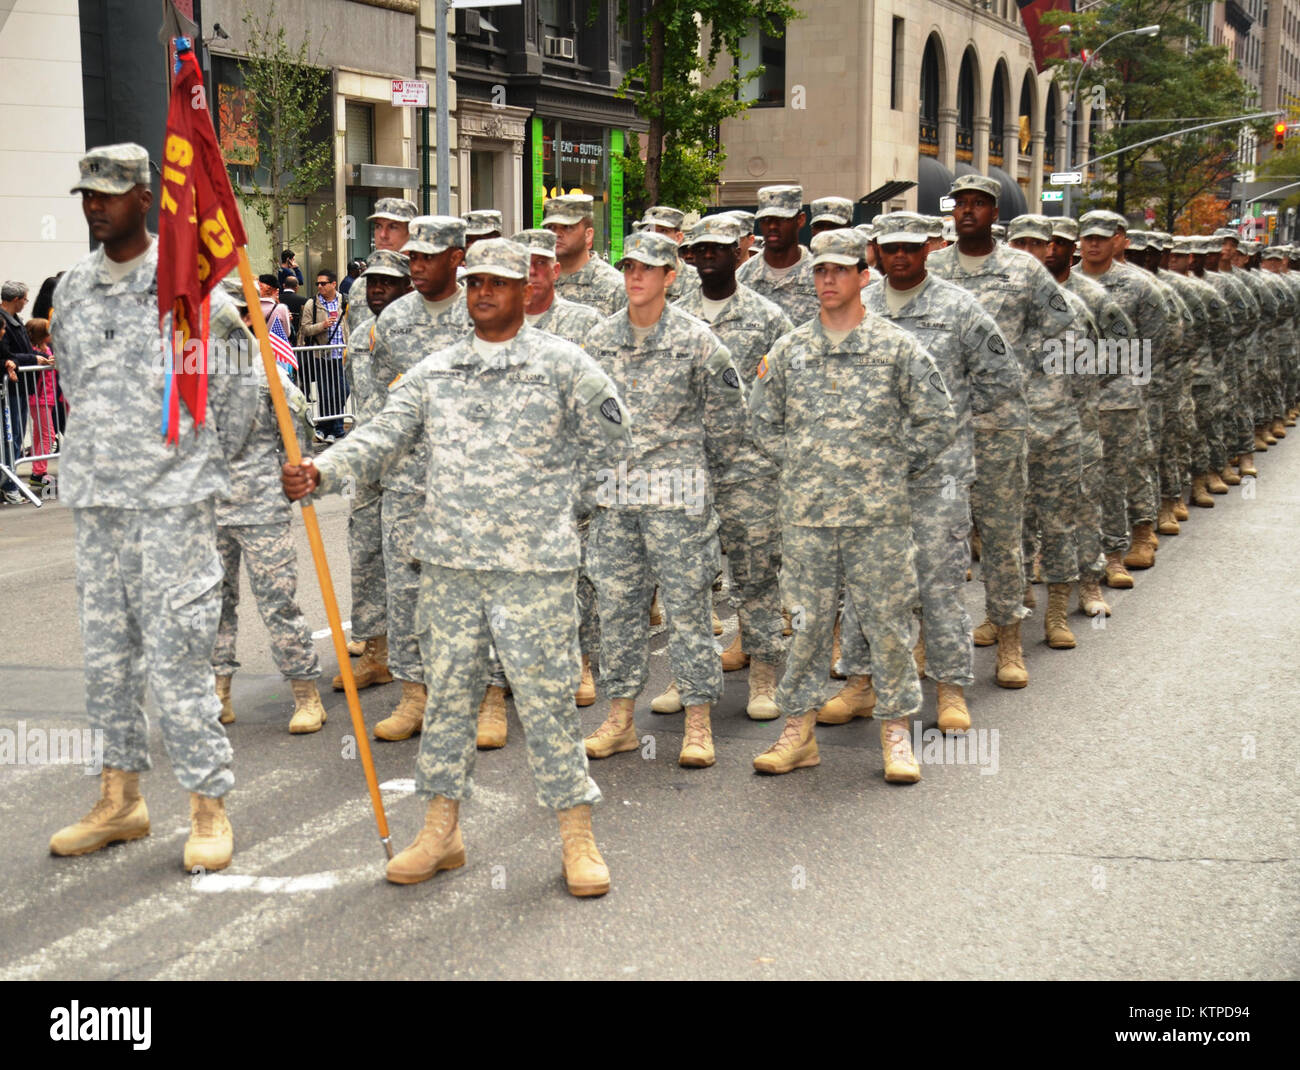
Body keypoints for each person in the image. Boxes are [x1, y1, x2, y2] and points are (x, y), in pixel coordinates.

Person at [281, 237, 632, 895]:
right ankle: (441, 831)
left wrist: (568, 514)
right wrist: (320, 471)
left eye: (496, 283)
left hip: (535, 574)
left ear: (526, 289)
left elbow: (617, 448)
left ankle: (577, 839)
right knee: (446, 704)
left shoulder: (565, 366)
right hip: (450, 570)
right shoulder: (437, 372)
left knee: (550, 705)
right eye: (473, 284)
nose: (482, 294)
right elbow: (381, 437)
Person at [47, 142, 258, 872]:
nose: (94, 205)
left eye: (108, 192)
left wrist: (190, 467)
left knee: (177, 658)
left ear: (148, 197)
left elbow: (237, 394)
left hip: (171, 507)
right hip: (101, 502)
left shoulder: (190, 289)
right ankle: (121, 800)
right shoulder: (71, 289)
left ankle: (207, 806)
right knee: (108, 661)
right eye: (86, 194)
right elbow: (75, 380)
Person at [748, 228, 958, 782]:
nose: (828, 280)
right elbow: (761, 419)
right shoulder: (791, 350)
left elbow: (938, 419)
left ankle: (895, 733)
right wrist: (797, 463)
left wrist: (892, 467)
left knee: (887, 623)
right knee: (808, 624)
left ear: (864, 277)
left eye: (840, 270)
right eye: (820, 271)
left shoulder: (896, 348)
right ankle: (798, 732)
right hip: (808, 517)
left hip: (877, 517)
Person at [829, 211, 1024, 734]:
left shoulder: (960, 308)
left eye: (910, 248)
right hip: (867, 476)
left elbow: (1001, 379)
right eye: (889, 247)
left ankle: (950, 687)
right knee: (864, 584)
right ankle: (860, 684)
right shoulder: (858, 305)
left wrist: (956, 430)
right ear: (876, 251)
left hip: (936, 477)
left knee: (938, 584)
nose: (899, 256)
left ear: (929, 249)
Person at [581, 230, 748, 769]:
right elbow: (581, 415)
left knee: (687, 609)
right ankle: (620, 719)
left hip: (678, 499)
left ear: (670, 277)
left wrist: (705, 485)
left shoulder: (699, 340)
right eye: (628, 266)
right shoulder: (599, 341)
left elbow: (729, 421)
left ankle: (698, 723)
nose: (635, 276)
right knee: (619, 610)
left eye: (647, 268)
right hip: (617, 499)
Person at [927, 175, 1074, 688]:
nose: (968, 212)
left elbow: (1064, 328)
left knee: (1001, 535)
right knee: (937, 537)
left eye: (979, 205)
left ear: (995, 213)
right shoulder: (932, 267)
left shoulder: (1023, 268)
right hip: (940, 428)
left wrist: (1028, 381)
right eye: (960, 204)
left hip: (1000, 424)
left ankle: (1009, 638)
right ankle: (929, 640)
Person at [672, 213, 792, 720]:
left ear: (739, 253)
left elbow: (789, 386)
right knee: (686, 578)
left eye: (717, 250)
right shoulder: (673, 315)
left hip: (748, 468)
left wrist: (778, 455)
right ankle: (690, 679)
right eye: (698, 251)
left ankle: (764, 676)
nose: (707, 259)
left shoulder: (768, 318)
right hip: (688, 466)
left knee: (756, 573)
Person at [362, 216, 471, 744]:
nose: (418, 265)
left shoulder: (482, 309)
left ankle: (483, 695)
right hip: (407, 477)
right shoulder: (396, 321)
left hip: (470, 479)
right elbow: (385, 393)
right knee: (405, 588)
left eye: (429, 256)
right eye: (413, 258)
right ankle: (414, 694)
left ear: (457, 256)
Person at [211, 278, 325, 733]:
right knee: (212, 604)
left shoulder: (270, 375)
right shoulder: (191, 375)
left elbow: (297, 443)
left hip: (261, 508)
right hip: (209, 508)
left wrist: (298, 484)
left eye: (237, 315)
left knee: (278, 603)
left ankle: (306, 694)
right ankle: (218, 694)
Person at [513, 227, 604, 706]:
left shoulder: (588, 324)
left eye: (538, 264)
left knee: (579, 574)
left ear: (554, 270)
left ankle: (583, 665)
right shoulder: (494, 324)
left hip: (573, 474)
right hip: (514, 474)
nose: (530, 273)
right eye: (522, 264)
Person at [1044, 216, 1138, 617]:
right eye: (1039, 244)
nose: (1048, 251)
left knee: (1083, 505)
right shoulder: (1019, 293)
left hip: (1079, 422)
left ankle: (1089, 583)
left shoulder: (1091, 296)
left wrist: (1088, 388)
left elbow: (1127, 346)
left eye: (1058, 244)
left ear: (1071, 248)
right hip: (1028, 425)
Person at [330, 249, 411, 698]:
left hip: (410, 467)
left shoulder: (421, 335)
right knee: (365, 557)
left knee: (410, 565)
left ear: (407, 286)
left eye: (388, 282)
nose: (377, 289)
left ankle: (424, 665)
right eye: (373, 282)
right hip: (368, 467)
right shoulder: (360, 335)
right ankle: (377, 654)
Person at [1075, 210, 1167, 587]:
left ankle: (1115, 554)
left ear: (1118, 240)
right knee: (1069, 479)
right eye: (1087, 236)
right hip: (1070, 397)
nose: (1093, 243)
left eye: (1102, 236)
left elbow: (1154, 339)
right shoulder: (1061, 282)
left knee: (1114, 476)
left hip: (1119, 397)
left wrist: (1132, 385)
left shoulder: (1139, 285)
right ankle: (1063, 555)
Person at [737, 184, 819, 325]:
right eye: (766, 220)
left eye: (782, 219)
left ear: (800, 219)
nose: (772, 226)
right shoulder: (741, 278)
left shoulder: (820, 276)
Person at [543, 194, 627, 315]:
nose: (557, 234)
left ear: (588, 235)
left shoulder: (616, 287)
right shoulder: (539, 283)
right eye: (551, 227)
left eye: (567, 227)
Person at [300, 269, 350, 441]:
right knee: (326, 393)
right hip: (321, 355)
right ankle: (333, 430)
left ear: (333, 284)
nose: (319, 286)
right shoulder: (311, 304)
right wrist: (322, 325)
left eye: (323, 283)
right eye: (318, 283)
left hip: (342, 354)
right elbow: (305, 329)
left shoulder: (345, 301)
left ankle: (327, 427)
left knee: (343, 390)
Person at [22, 318, 57, 487]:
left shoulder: (46, 349)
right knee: (48, 435)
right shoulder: (35, 353)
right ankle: (38, 471)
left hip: (47, 398)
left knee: (39, 435)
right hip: (39, 398)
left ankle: (39, 469)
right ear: (42, 335)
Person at [641, 205, 701, 301]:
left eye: (663, 231)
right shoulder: (634, 281)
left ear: (678, 238)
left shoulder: (699, 283)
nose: (654, 237)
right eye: (649, 230)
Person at [279, 276, 308, 342]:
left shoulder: (277, 299)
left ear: (284, 285)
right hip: (297, 335)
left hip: (279, 336)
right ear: (297, 287)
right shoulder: (303, 300)